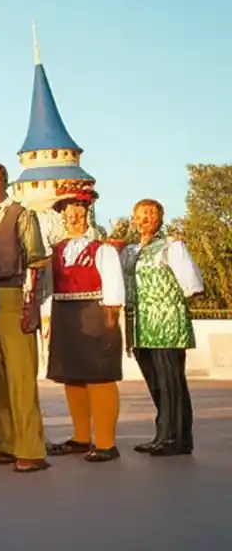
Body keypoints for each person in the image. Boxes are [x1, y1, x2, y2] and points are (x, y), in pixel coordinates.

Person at [0, 162, 50, 472]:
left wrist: (31, 305)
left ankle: (31, 447)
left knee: (20, 375)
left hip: (12, 294)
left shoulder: (21, 214)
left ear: (4, 181)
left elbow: (37, 262)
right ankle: (7, 442)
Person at [45, 190, 125, 463]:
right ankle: (80, 437)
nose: (74, 216)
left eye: (79, 210)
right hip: (65, 313)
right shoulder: (56, 250)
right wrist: (46, 317)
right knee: (73, 376)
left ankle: (106, 442)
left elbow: (113, 282)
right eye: (69, 211)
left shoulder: (101, 249)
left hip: (95, 311)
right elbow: (47, 287)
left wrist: (111, 313)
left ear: (87, 213)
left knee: (99, 376)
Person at [122, 198, 204, 457]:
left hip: (167, 322)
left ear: (160, 218)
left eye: (150, 214)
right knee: (155, 381)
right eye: (140, 215)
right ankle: (163, 431)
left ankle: (176, 437)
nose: (144, 219)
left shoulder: (171, 246)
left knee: (171, 381)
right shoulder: (132, 251)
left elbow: (191, 284)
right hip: (141, 325)